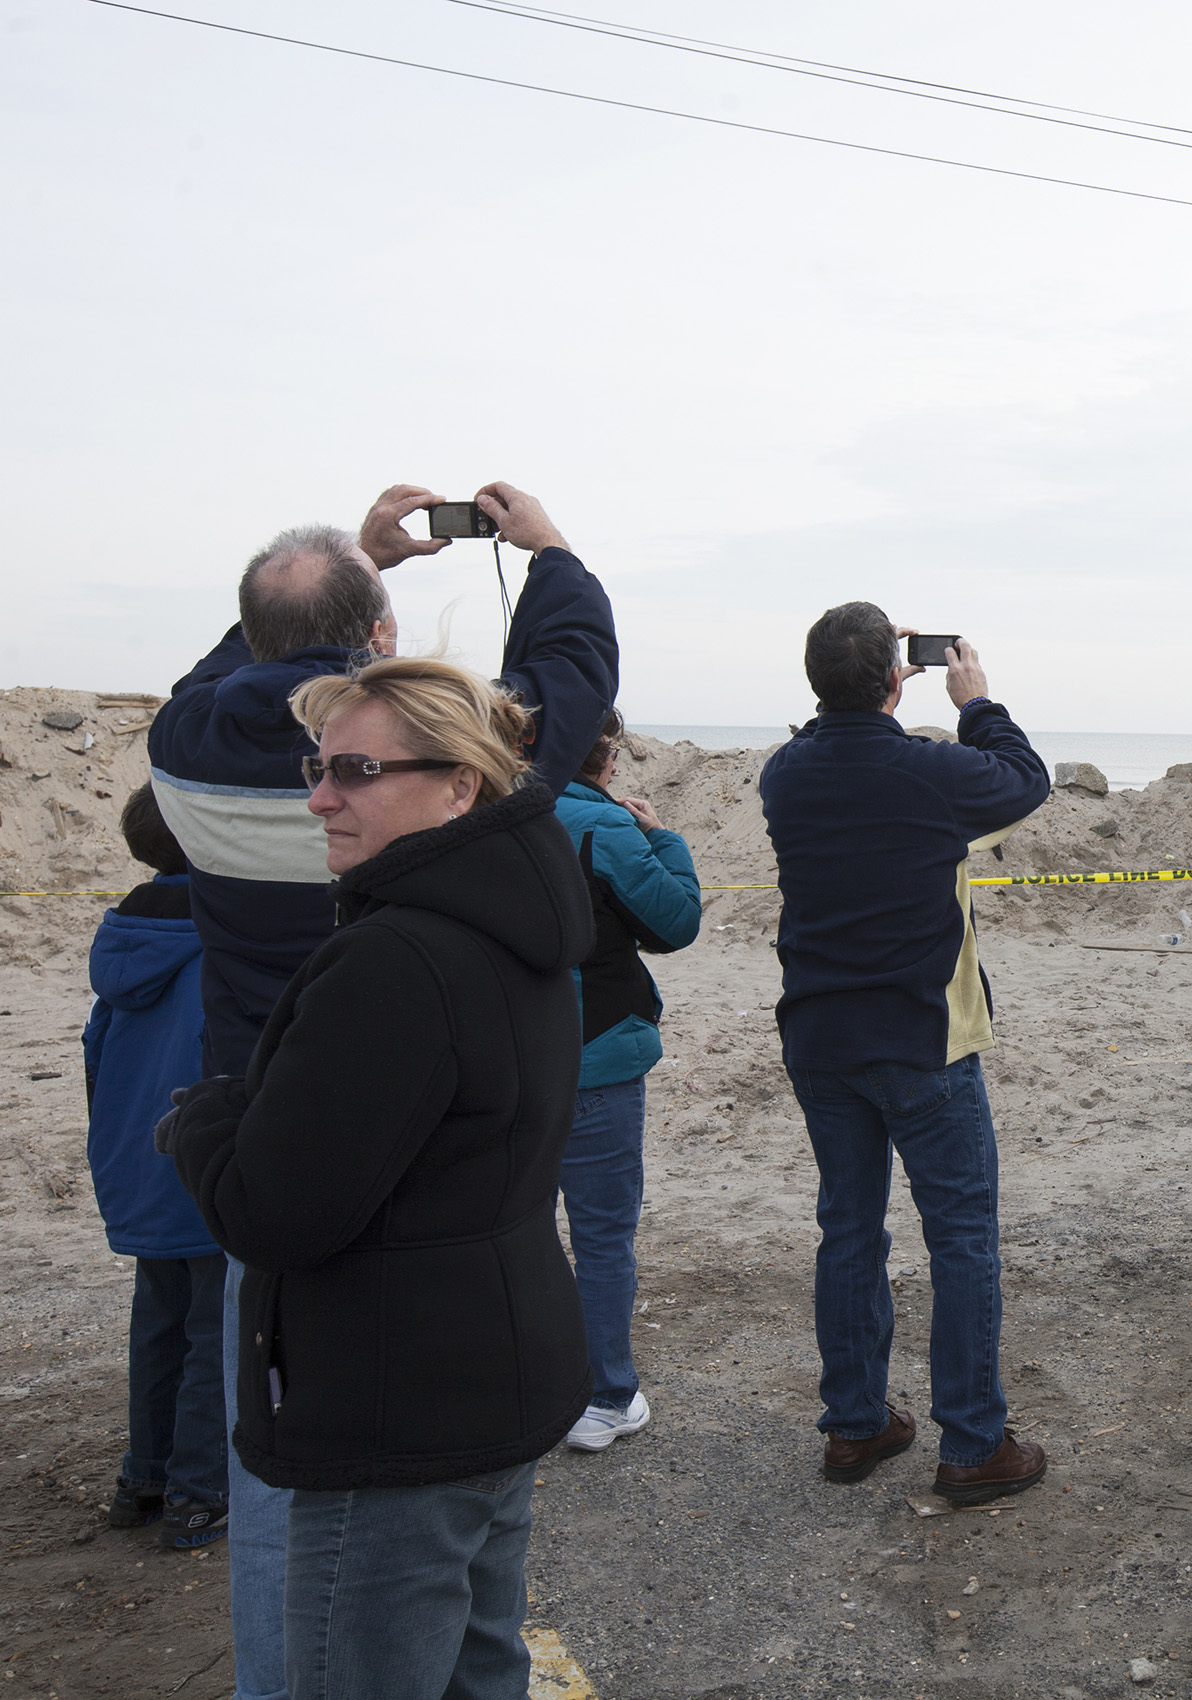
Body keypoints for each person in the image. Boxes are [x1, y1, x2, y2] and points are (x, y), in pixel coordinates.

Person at [146, 481, 616, 1700]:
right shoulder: (500, 874)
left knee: (291, 1495)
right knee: (461, 1632)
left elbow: (228, 674)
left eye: (349, 769)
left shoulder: (187, 752)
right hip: (465, 1277)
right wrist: (549, 554)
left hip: (303, 1163)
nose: (322, 793)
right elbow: (563, 679)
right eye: (324, 766)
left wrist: (355, 566)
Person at [758, 603, 1052, 1501]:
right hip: (923, 1039)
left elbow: (833, 742)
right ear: (897, 678)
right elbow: (1024, 780)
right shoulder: (930, 774)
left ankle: (855, 1426)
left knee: (849, 1228)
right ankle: (972, 1442)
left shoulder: (785, 775)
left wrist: (870, 692)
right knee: (960, 1238)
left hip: (821, 1037)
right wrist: (976, 702)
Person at [553, 710, 703, 1451]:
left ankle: (526, 1386)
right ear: (604, 759)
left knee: (512, 1232)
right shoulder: (604, 826)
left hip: (506, 1056)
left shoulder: (482, 813)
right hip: (597, 1053)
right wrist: (663, 837)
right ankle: (605, 1397)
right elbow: (675, 921)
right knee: (602, 1238)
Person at [83, 786, 227, 1550]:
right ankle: (196, 1493)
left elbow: (96, 1057)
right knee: (213, 1330)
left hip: (135, 1158)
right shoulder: (225, 934)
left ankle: (143, 1477)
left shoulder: (127, 935)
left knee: (159, 1322)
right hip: (199, 1161)